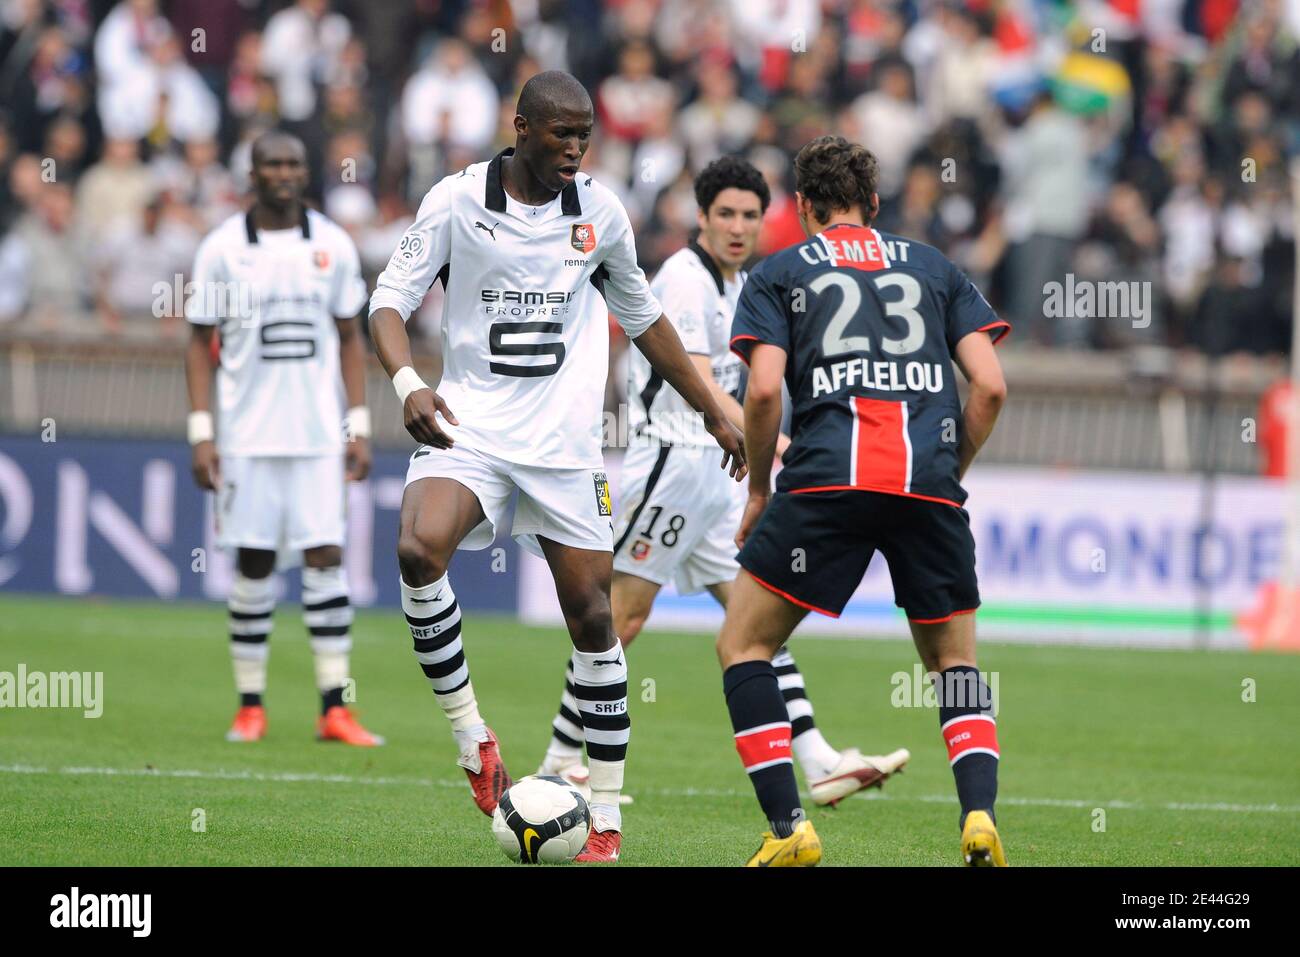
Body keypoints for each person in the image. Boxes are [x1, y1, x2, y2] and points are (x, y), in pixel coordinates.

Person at [367, 70, 745, 863]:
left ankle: (604, 814)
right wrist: (408, 382)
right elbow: (387, 304)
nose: (575, 147)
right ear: (521, 127)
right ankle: (473, 739)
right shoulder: (455, 200)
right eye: (561, 133)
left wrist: (712, 405)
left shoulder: (600, 213)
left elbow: (643, 316)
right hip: (469, 429)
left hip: (565, 450)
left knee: (595, 619)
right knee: (414, 548)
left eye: (585, 135)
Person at [537, 156, 908, 807]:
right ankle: (560, 761)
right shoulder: (684, 278)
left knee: (756, 618)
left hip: (719, 471)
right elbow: (704, 382)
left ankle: (818, 758)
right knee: (622, 615)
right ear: (701, 217)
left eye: (749, 215)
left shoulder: (743, 283)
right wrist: (780, 444)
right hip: (674, 461)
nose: (738, 226)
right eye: (726, 214)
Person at [718, 135, 1010, 866]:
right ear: (875, 206)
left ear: (803, 208)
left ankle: (789, 831)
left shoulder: (779, 271)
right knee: (954, 663)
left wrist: (758, 488)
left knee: (745, 644)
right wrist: (949, 468)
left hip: (827, 480)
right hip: (927, 485)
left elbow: (760, 391)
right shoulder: (934, 266)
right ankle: (978, 817)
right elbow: (993, 384)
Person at [185, 131, 382, 747]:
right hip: (245, 434)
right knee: (254, 564)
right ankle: (250, 706)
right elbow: (197, 343)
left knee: (326, 558)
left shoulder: (331, 243)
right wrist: (202, 432)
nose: (284, 172)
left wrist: (359, 423)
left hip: (319, 434)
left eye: (294, 162)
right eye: (272, 163)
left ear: (307, 170)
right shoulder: (220, 249)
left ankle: (335, 708)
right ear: (253, 172)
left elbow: (352, 336)